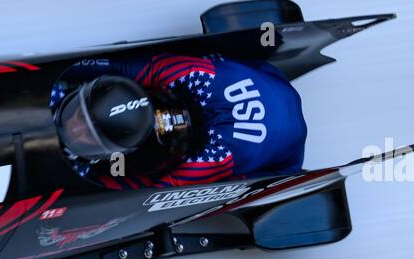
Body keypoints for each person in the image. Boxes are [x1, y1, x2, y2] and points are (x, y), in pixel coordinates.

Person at [51, 53, 306, 188]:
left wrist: (86, 179)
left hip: (284, 156)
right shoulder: (190, 75)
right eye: (81, 115)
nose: (73, 127)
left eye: (88, 133)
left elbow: (152, 197)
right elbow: (125, 67)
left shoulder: (209, 157)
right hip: (260, 75)